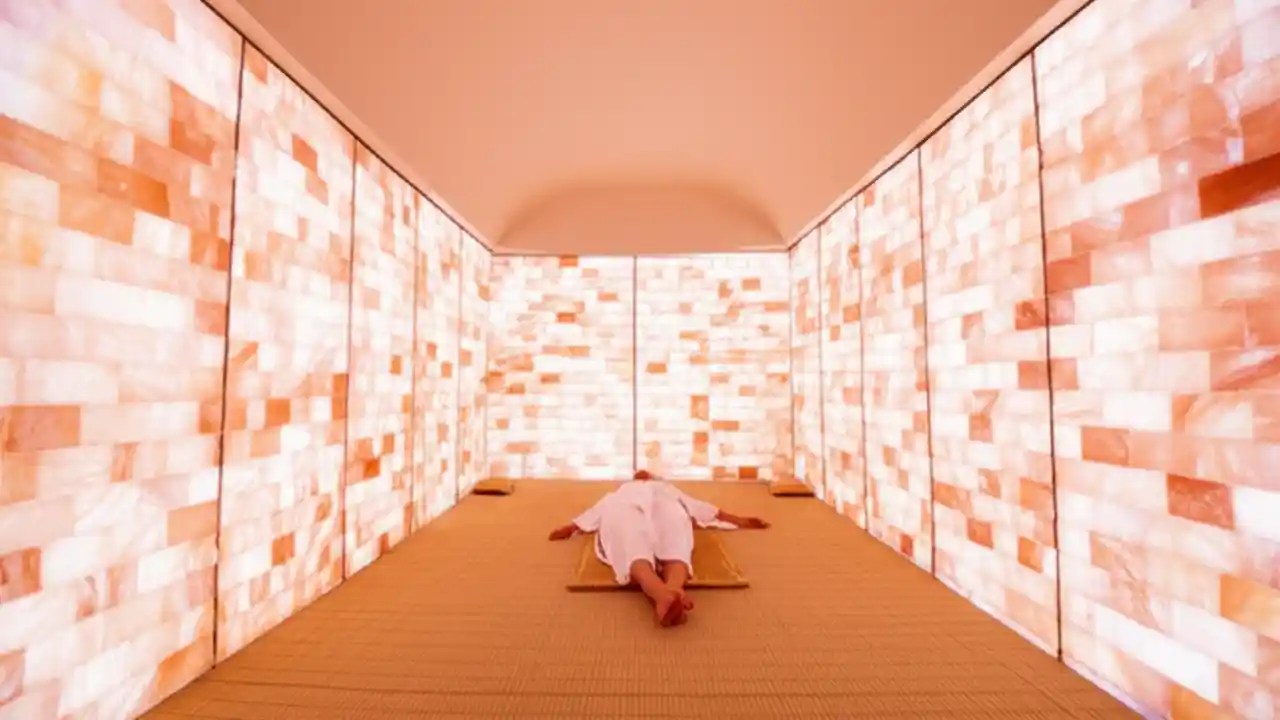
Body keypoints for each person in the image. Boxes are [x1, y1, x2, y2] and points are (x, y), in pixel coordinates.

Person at [548, 470, 770, 626]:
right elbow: (597, 510)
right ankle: (667, 592)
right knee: (632, 538)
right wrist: (570, 527)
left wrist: (738, 519)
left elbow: (696, 506)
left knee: (676, 535)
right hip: (626, 508)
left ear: (654, 477)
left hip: (664, 506)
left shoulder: (667, 489)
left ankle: (666, 592)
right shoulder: (618, 494)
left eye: (646, 473)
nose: (642, 473)